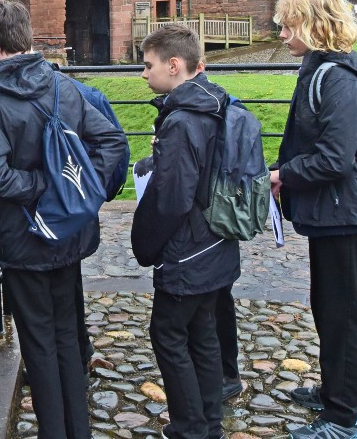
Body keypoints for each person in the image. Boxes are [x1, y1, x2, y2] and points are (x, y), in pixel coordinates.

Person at [0, 0, 128, 438]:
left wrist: (47, 188)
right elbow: (113, 141)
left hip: (23, 238)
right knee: (65, 337)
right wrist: (73, 187)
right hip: (68, 234)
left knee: (40, 344)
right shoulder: (63, 85)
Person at [269, 0, 357, 439]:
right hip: (336, 212)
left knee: (341, 315)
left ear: (313, 24)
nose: (282, 33)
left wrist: (284, 174)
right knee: (329, 308)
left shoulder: (338, 79)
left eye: (288, 24)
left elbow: (336, 158)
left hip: (348, 213)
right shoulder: (323, 70)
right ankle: (335, 392)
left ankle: (345, 418)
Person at [131, 24, 240, 439]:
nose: (143, 74)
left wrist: (145, 243)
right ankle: (208, 423)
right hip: (217, 243)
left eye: (148, 65)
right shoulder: (217, 104)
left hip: (188, 250)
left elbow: (173, 198)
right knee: (203, 333)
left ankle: (191, 427)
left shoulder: (182, 121)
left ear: (174, 65)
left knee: (168, 334)